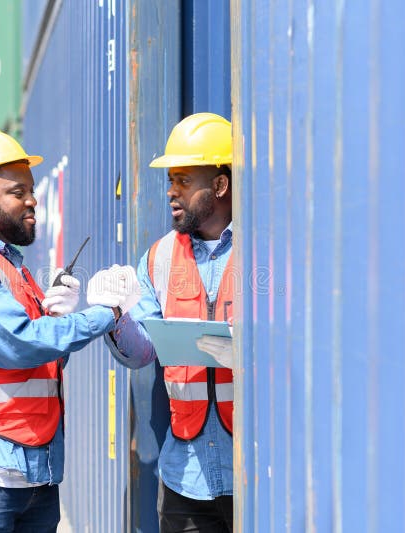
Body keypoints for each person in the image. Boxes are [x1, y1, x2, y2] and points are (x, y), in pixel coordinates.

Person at [0, 128, 139, 532]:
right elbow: (17, 344)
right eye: (18, 192)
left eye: (32, 190)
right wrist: (106, 313)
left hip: (34, 469)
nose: (33, 200)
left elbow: (41, 359)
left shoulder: (11, 267)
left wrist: (57, 319)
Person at [102, 113, 236, 532]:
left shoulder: (267, 251)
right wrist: (115, 316)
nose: (171, 192)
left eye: (182, 180)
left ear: (219, 185)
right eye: (170, 181)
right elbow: (142, 352)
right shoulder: (158, 257)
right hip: (185, 478)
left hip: (253, 470)